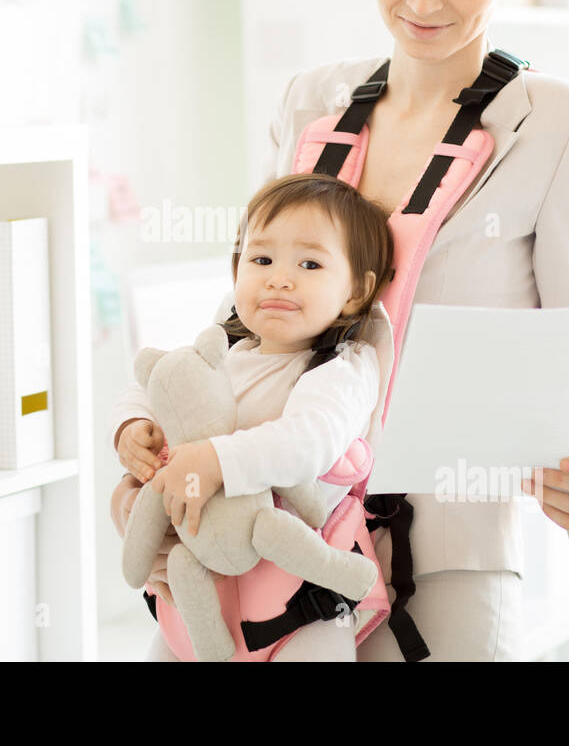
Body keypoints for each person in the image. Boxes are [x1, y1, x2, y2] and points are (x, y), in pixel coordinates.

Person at [115, 0, 569, 661]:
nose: (422, 0)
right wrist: (149, 416)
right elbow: (259, 298)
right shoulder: (310, 104)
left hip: (451, 567)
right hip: (280, 533)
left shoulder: (566, 130)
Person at [112, 172, 397, 661]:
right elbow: (158, 382)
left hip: (299, 611)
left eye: (309, 263)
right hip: (202, 606)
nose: (279, 277)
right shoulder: (223, 350)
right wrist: (132, 427)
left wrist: (214, 460)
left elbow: (309, 442)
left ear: (355, 292)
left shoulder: (341, 368)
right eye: (261, 259)